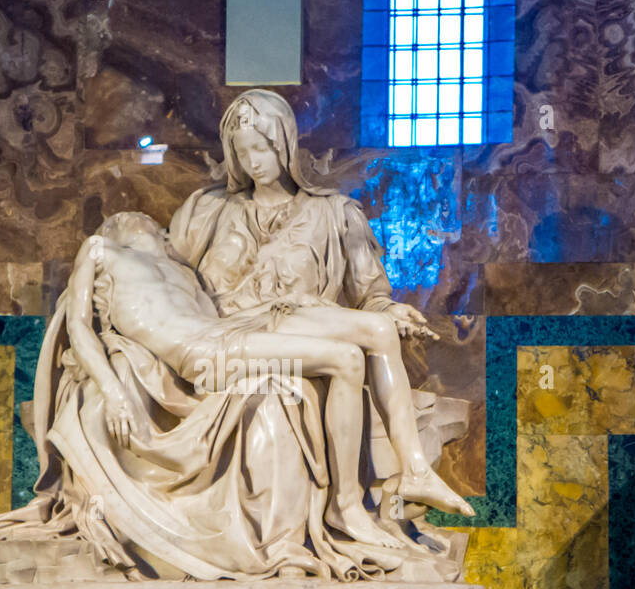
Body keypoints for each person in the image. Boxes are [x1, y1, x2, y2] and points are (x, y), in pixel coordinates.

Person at [65, 211, 472, 550]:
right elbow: (79, 328)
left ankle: (415, 471)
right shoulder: (99, 250)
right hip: (203, 356)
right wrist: (113, 390)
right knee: (346, 360)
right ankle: (345, 507)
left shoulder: (181, 272)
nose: (148, 223)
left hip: (225, 334)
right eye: (139, 221)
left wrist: (298, 304)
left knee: (378, 330)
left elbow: (219, 318)